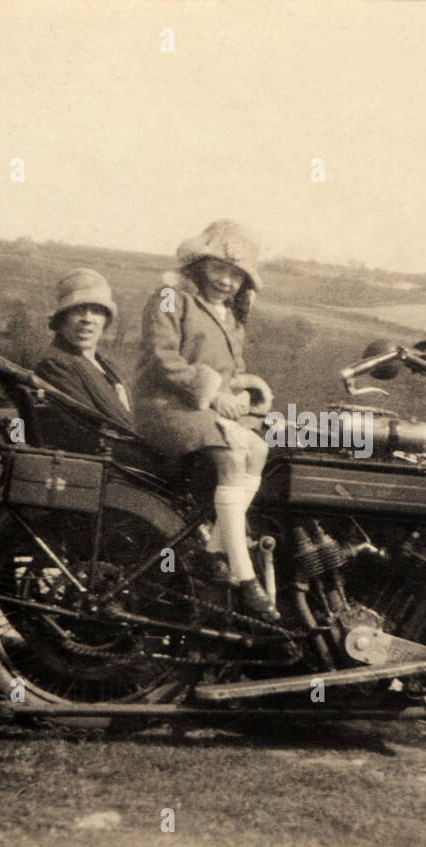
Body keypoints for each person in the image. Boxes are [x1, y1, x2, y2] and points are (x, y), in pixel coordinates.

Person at [133, 220, 278, 620]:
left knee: (260, 450)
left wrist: (242, 389)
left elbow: (233, 368)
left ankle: (214, 551)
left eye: (236, 275)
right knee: (232, 454)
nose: (227, 282)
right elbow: (162, 358)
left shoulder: (232, 316)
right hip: (164, 405)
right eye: (220, 269)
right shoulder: (169, 296)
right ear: (199, 264)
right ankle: (245, 576)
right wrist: (212, 393)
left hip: (204, 409)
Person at [33, 268, 137, 445]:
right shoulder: (56, 364)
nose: (88, 319)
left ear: (105, 320)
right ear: (62, 319)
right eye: (78, 310)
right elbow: (99, 426)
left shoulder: (106, 366)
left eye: (97, 310)